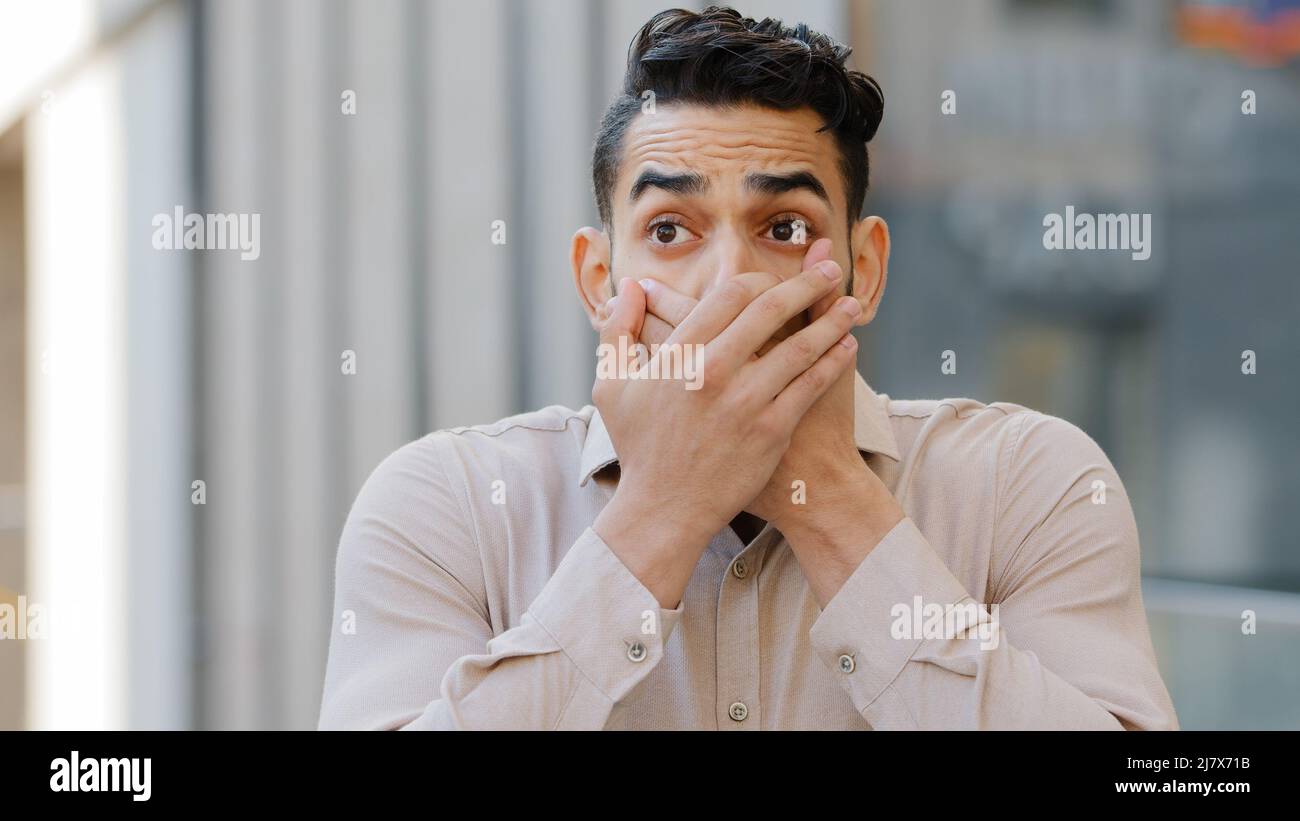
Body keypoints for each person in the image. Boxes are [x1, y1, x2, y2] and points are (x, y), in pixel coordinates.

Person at [317, 5, 1178, 730]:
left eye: (785, 227)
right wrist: (660, 510)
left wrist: (831, 493)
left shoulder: (1028, 483)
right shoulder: (447, 503)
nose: (729, 282)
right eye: (668, 230)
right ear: (598, 280)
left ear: (864, 270)